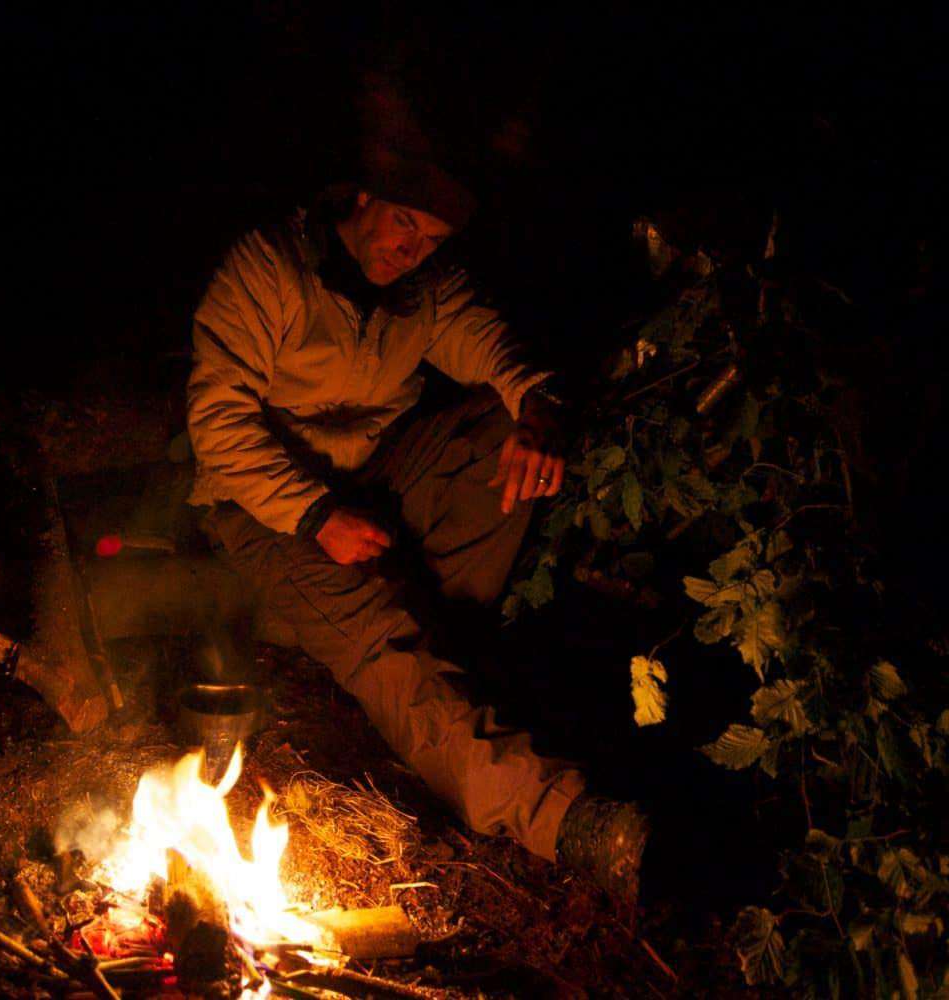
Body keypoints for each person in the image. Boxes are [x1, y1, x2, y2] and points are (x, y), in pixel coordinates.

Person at [185, 146, 646, 898]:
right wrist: (316, 514)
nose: (411, 248)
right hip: (262, 507)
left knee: (502, 434)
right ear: (360, 198)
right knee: (376, 630)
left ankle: (440, 659)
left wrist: (533, 403)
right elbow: (219, 428)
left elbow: (489, 344)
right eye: (403, 224)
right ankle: (559, 817)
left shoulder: (423, 284)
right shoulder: (269, 268)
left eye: (431, 239)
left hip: (373, 479)